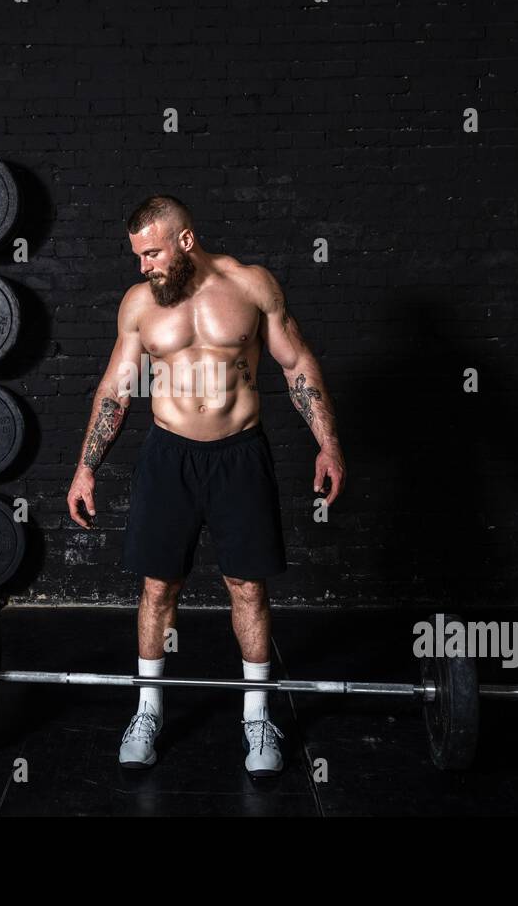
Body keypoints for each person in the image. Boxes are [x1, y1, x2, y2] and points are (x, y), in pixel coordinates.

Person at [66, 196, 345, 778]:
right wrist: (86, 466)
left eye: (152, 253)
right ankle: (147, 712)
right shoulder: (141, 304)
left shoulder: (251, 286)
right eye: (138, 256)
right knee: (158, 586)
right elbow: (118, 387)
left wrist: (328, 444)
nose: (143, 267)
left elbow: (296, 365)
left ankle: (257, 717)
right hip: (169, 457)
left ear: (185, 241)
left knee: (247, 588)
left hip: (239, 455)